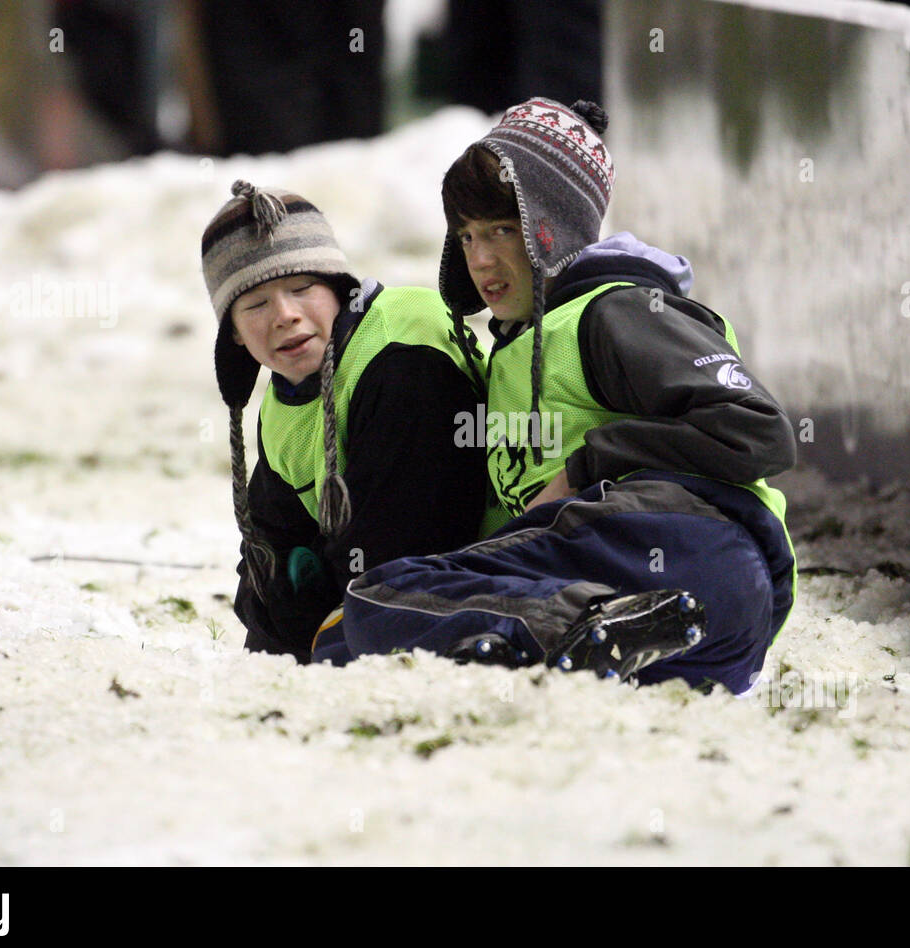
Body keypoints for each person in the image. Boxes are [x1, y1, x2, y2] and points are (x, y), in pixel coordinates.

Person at [328, 98, 798, 691]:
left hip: (691, 551)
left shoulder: (615, 309)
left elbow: (760, 430)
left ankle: (582, 623)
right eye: (467, 235)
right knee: (347, 637)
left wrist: (587, 466)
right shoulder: (512, 358)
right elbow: (516, 527)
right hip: (686, 630)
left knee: (376, 602)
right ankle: (579, 644)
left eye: (503, 229)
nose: (481, 259)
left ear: (556, 224)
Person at [203, 180, 497, 663]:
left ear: (339, 289)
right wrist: (280, 602)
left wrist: (309, 612)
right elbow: (266, 550)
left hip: (481, 575)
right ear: (234, 333)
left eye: (301, 289)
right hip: (376, 586)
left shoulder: (404, 352)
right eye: (255, 304)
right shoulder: (284, 402)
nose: (285, 316)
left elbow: (407, 541)